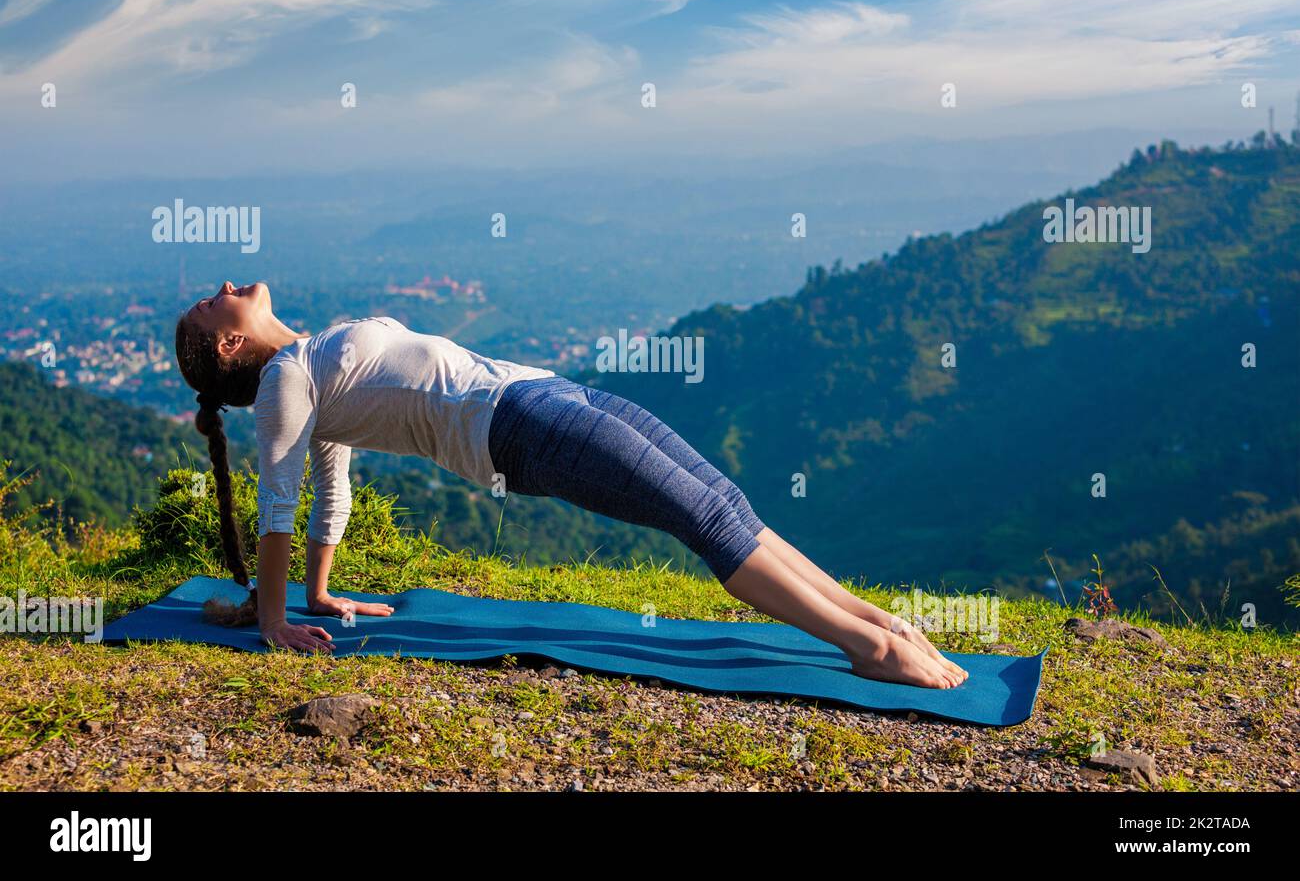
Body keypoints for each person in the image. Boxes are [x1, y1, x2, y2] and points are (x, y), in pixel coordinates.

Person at [174, 281, 967, 688]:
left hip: (549, 392)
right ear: (232, 340)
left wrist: (319, 593)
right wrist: (273, 620)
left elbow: (331, 475)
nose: (222, 287)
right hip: (520, 433)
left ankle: (879, 622)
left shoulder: (306, 360)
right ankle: (865, 650)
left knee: (727, 502)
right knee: (705, 522)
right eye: (211, 307)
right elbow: (281, 498)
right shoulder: (284, 380)